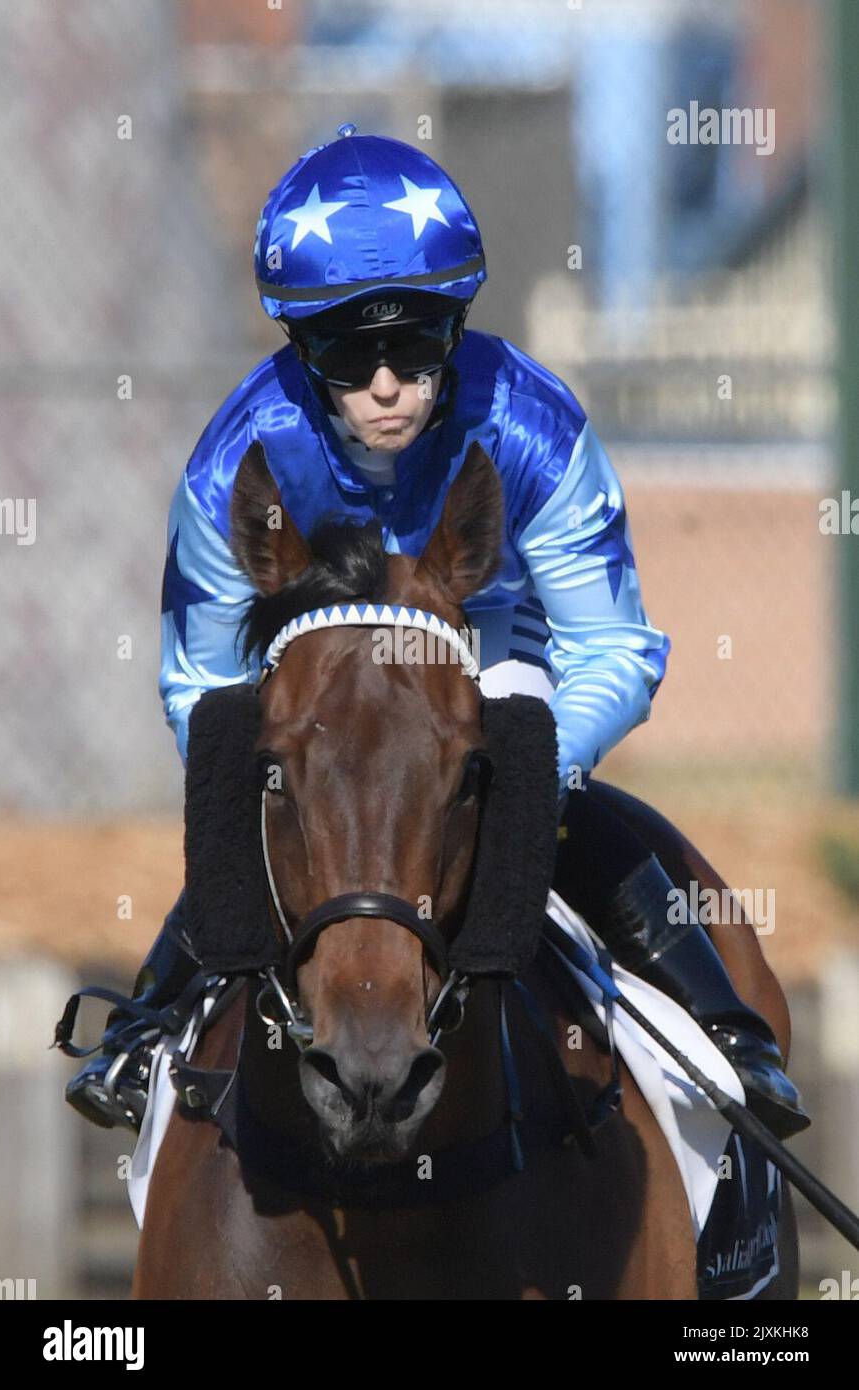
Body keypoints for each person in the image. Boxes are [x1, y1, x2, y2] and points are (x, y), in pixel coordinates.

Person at [60, 125, 807, 1139]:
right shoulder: (237, 460)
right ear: (296, 344)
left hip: (492, 682)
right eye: (344, 350)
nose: (382, 384)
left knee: (547, 792)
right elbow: (198, 685)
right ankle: (146, 1026)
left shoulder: (532, 425)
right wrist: (283, 782)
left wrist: (523, 765)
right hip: (314, 713)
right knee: (275, 822)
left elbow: (614, 648)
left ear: (455, 326)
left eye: (411, 344)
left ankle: (727, 1027)